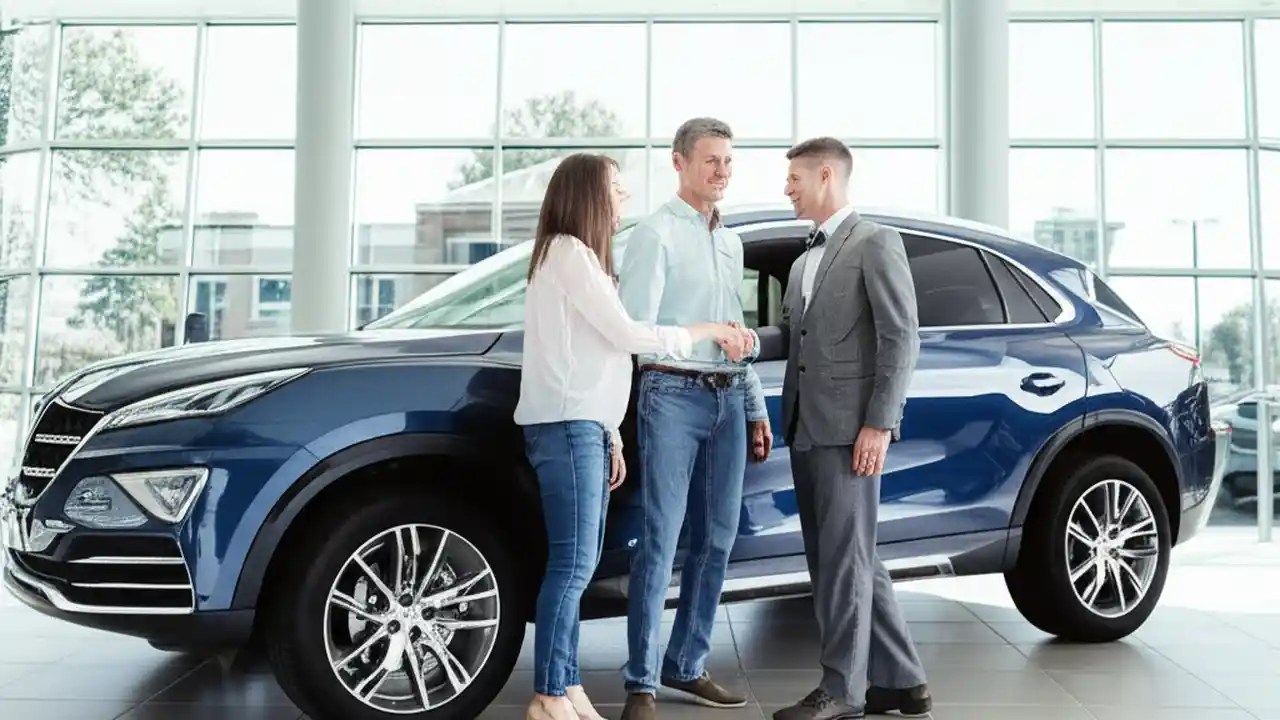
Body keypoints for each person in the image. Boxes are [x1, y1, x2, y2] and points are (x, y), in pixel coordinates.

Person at [513, 152, 748, 720]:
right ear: (587, 195)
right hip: (568, 429)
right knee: (570, 568)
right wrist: (703, 332)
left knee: (578, 565)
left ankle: (566, 688)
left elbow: (594, 357)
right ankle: (548, 693)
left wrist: (613, 435)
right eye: (615, 189)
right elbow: (628, 334)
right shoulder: (569, 253)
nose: (623, 200)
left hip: (585, 426)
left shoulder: (577, 258)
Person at [771, 137, 931, 720]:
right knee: (847, 557)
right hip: (805, 425)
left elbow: (900, 337)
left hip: (849, 430)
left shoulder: (874, 242)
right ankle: (904, 682)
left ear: (827, 174)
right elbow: (796, 342)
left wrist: (879, 424)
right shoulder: (800, 261)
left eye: (794, 178)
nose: (786, 188)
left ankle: (842, 690)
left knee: (843, 562)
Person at [616, 118, 769, 720]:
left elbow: (735, 331)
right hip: (671, 396)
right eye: (711, 161)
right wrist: (704, 338)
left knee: (718, 539)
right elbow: (638, 334)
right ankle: (641, 685)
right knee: (660, 539)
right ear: (679, 164)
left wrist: (753, 401)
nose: (722, 172)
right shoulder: (655, 234)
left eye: (728, 161)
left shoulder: (730, 242)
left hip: (730, 399)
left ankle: (687, 664)